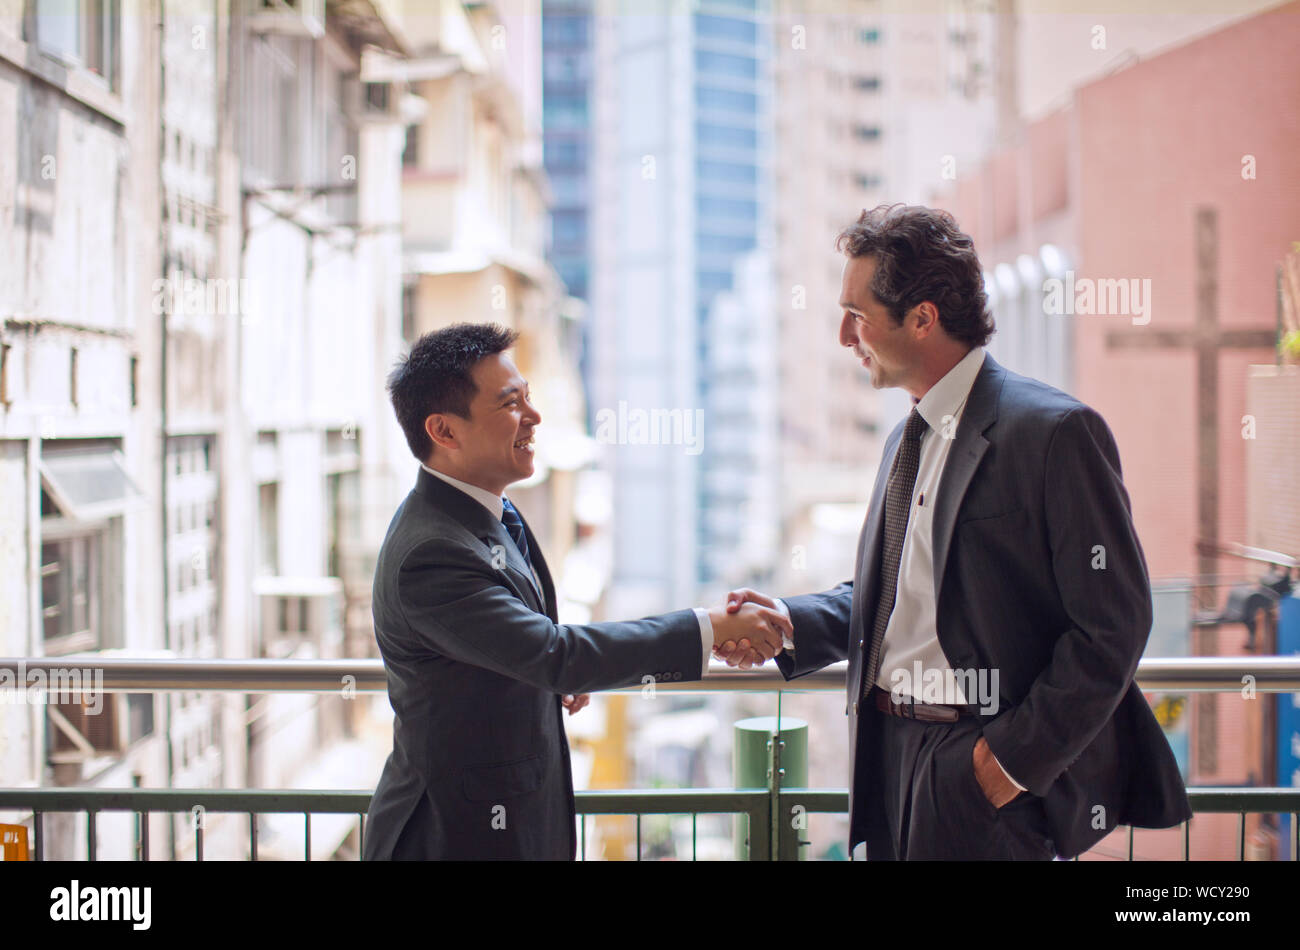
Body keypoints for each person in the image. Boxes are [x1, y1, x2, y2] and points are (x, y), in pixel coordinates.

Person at [718, 204, 1191, 860]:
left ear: (922, 318)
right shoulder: (902, 440)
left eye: (856, 314)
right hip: (890, 760)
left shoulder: (1054, 434)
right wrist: (791, 621)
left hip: (979, 769)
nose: (842, 336)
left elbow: (1114, 626)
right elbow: (899, 600)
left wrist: (1006, 764)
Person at [362, 322, 790, 860]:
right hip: (454, 833)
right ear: (445, 431)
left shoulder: (491, 512)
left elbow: (523, 647)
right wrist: (710, 628)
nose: (533, 418)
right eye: (510, 404)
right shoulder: (432, 554)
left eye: (529, 397)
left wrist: (543, 677)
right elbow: (556, 653)